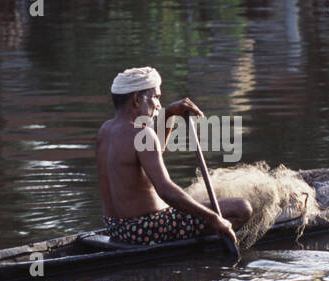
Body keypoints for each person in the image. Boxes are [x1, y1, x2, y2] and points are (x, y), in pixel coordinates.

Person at [96, 67, 251, 248]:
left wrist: (169, 114)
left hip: (116, 227)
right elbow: (167, 192)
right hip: (146, 230)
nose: (158, 105)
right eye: (156, 97)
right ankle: (200, 247)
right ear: (137, 99)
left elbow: (147, 158)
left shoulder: (105, 130)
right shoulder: (142, 132)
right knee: (241, 208)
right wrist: (214, 218)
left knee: (197, 206)